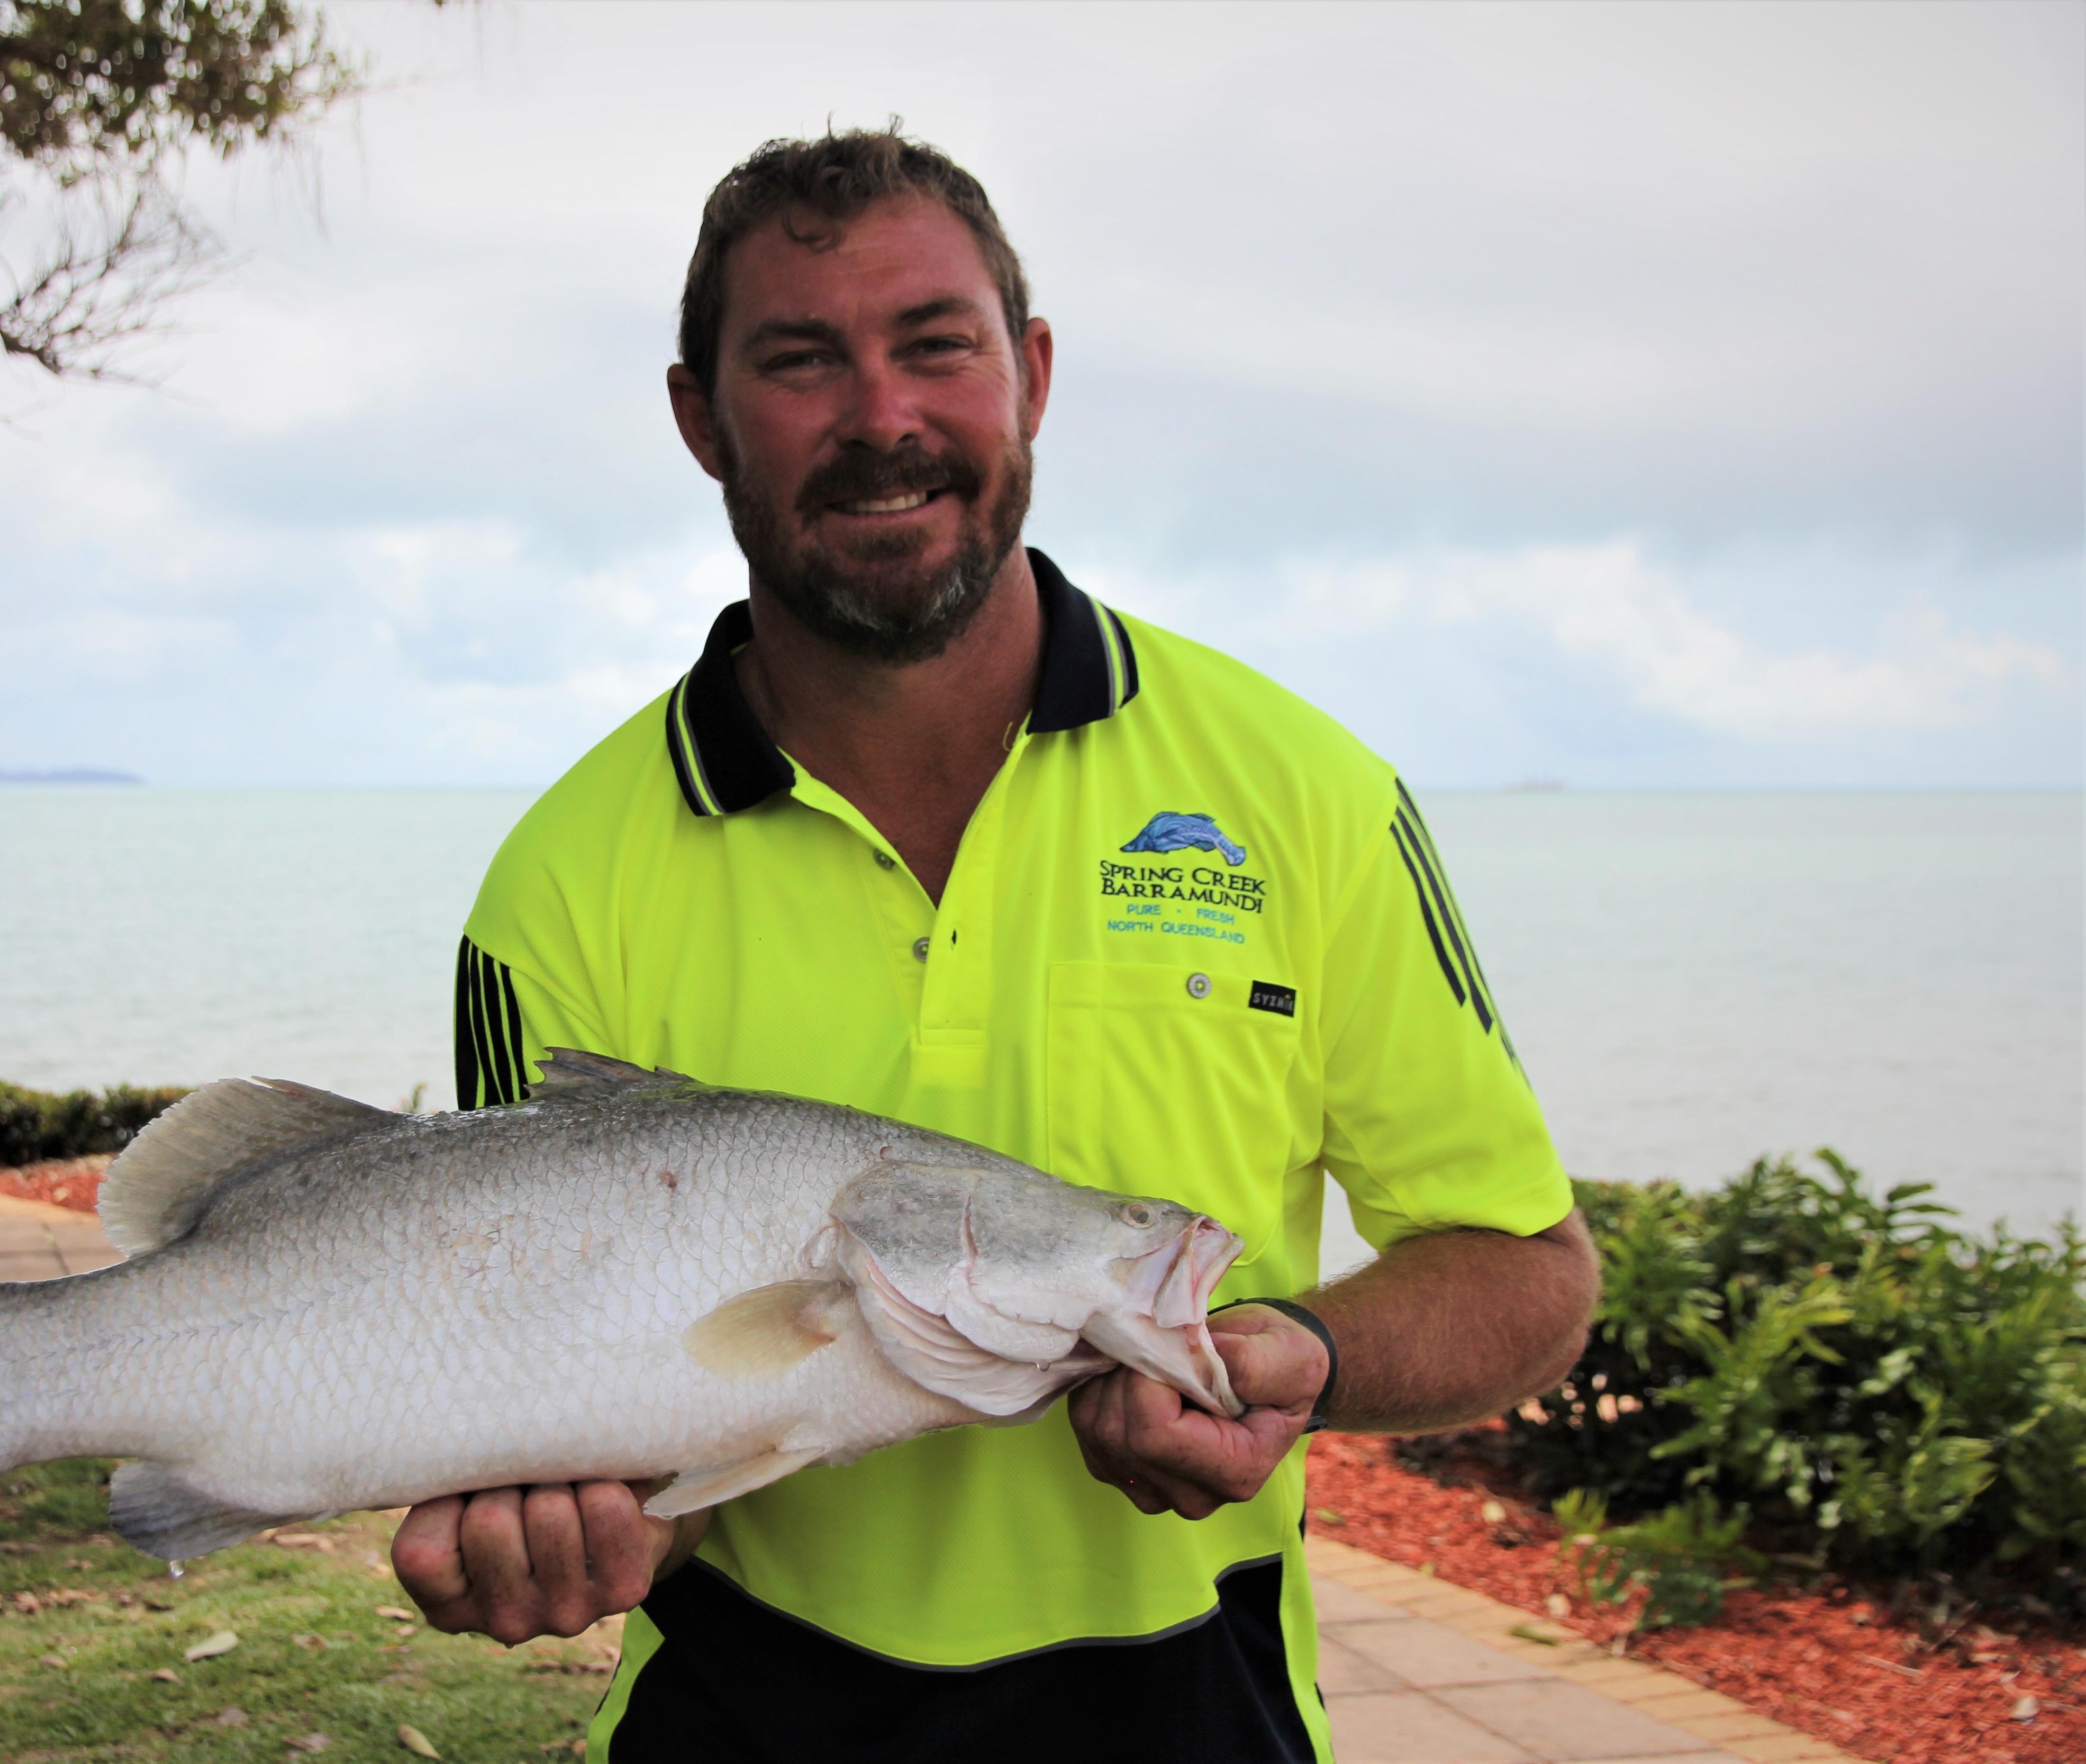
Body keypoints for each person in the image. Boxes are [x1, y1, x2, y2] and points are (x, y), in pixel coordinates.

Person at [397, 128, 1600, 1763]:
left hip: (1201, 1723)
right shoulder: (560, 881)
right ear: (702, 418)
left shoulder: (1308, 796)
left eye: (937, 345)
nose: (882, 418)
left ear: (1030, 375)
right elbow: (556, 1395)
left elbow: (1529, 1274)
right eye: (801, 361)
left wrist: (1306, 1356)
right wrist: (575, 1528)